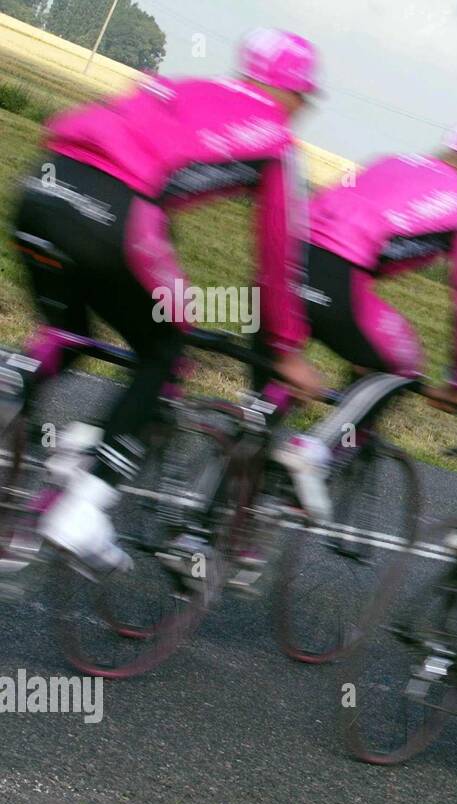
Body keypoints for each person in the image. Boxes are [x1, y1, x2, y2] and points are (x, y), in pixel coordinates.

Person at [6, 27, 321, 571]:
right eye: (305, 99)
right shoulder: (276, 141)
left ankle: (16, 381)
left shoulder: (188, 86)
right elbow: (277, 256)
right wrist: (286, 347)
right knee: (167, 347)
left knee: (68, 330)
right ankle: (84, 505)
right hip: (116, 213)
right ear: (292, 93)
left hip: (43, 186)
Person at [275, 124, 457, 520]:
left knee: (285, 364)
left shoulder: (391, 162)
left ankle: (240, 466)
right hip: (337, 278)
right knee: (402, 363)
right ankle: (315, 452)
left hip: (285, 258)